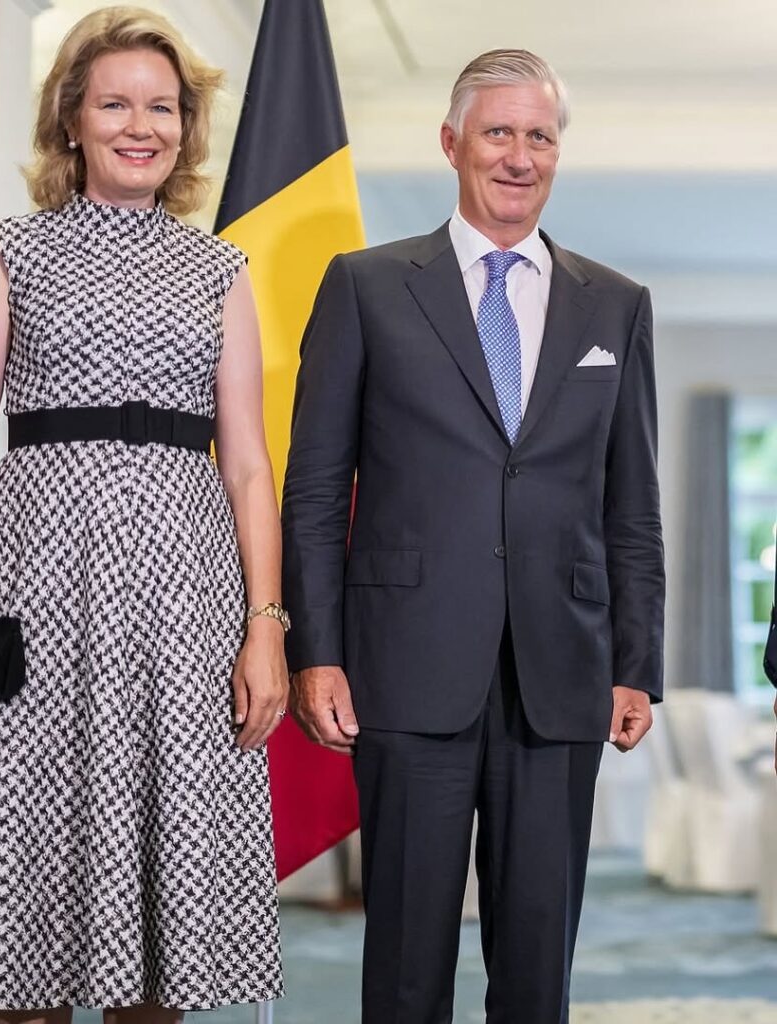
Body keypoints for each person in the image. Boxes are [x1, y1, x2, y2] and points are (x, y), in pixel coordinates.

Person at [0, 8, 286, 1023]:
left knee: (161, 916)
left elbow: (246, 463)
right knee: (27, 876)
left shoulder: (221, 269)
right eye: (115, 102)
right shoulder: (5, 250)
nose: (140, 124)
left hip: (182, 595)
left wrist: (266, 625)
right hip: (33, 580)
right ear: (70, 117)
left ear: (186, 128)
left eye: (162, 106)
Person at [282, 49, 665, 1023]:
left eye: (540, 136)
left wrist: (636, 659)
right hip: (405, 667)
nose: (520, 155)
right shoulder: (366, 286)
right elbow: (319, 490)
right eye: (499, 131)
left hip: (562, 674)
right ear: (452, 143)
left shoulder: (614, 306)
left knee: (538, 972)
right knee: (407, 969)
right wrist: (314, 652)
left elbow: (631, 502)